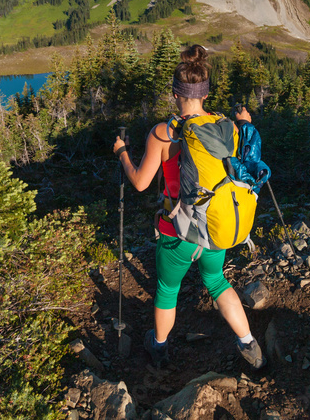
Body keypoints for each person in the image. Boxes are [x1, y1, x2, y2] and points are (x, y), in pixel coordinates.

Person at [112, 45, 266, 370]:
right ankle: (249, 343)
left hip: (177, 231)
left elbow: (140, 183)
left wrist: (123, 152)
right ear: (206, 93)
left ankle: (159, 348)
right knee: (217, 281)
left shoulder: (162, 134)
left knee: (168, 288)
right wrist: (244, 122)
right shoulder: (227, 129)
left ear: (175, 92)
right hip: (214, 225)